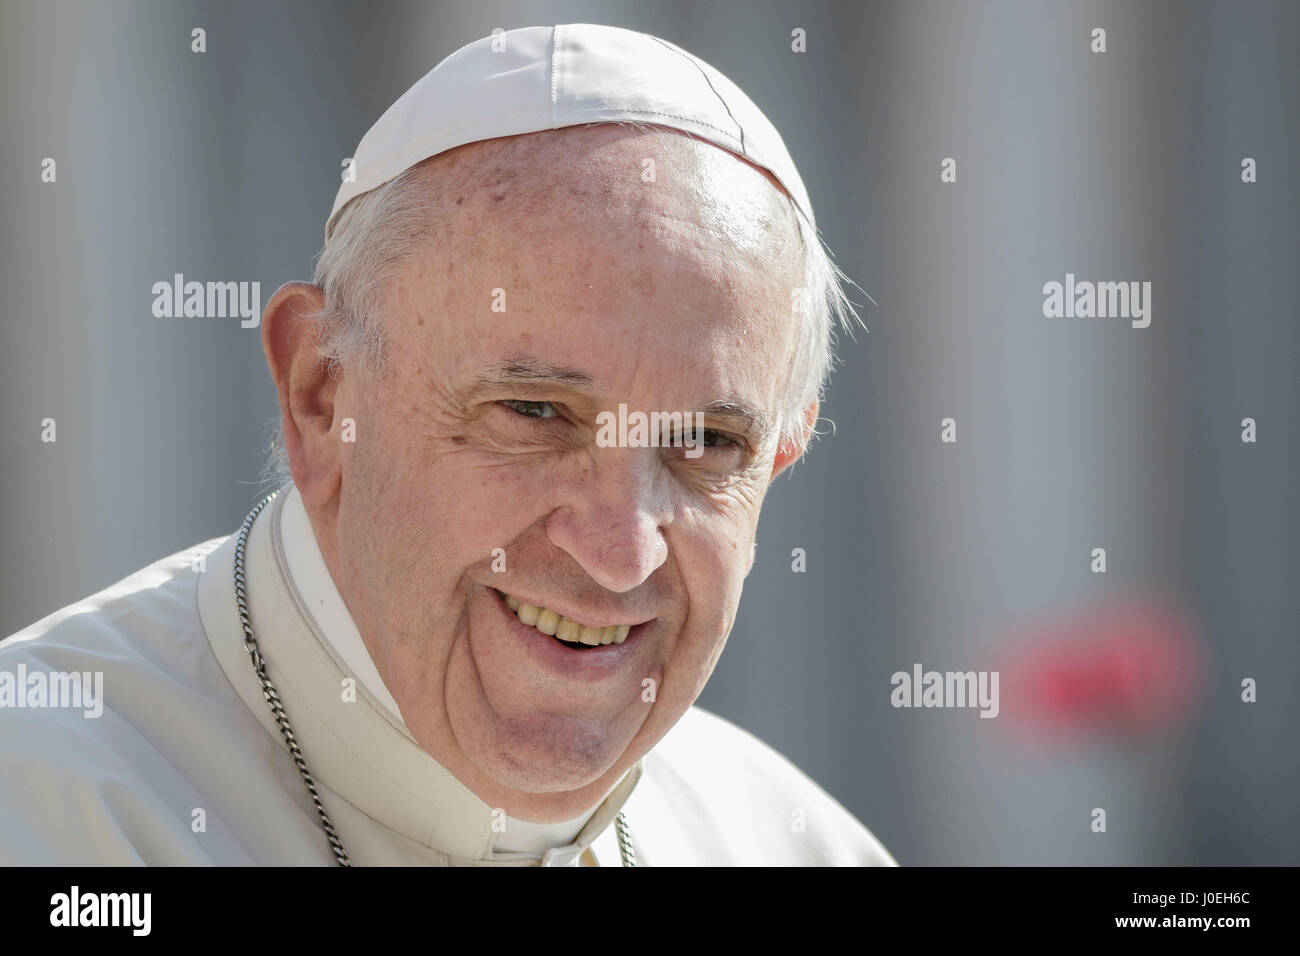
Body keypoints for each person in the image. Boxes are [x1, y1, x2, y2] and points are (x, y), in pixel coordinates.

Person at [0, 23, 895, 866]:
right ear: (320, 395)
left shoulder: (791, 843)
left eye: (705, 440)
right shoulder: (49, 801)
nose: (621, 554)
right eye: (535, 413)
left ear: (781, 457)